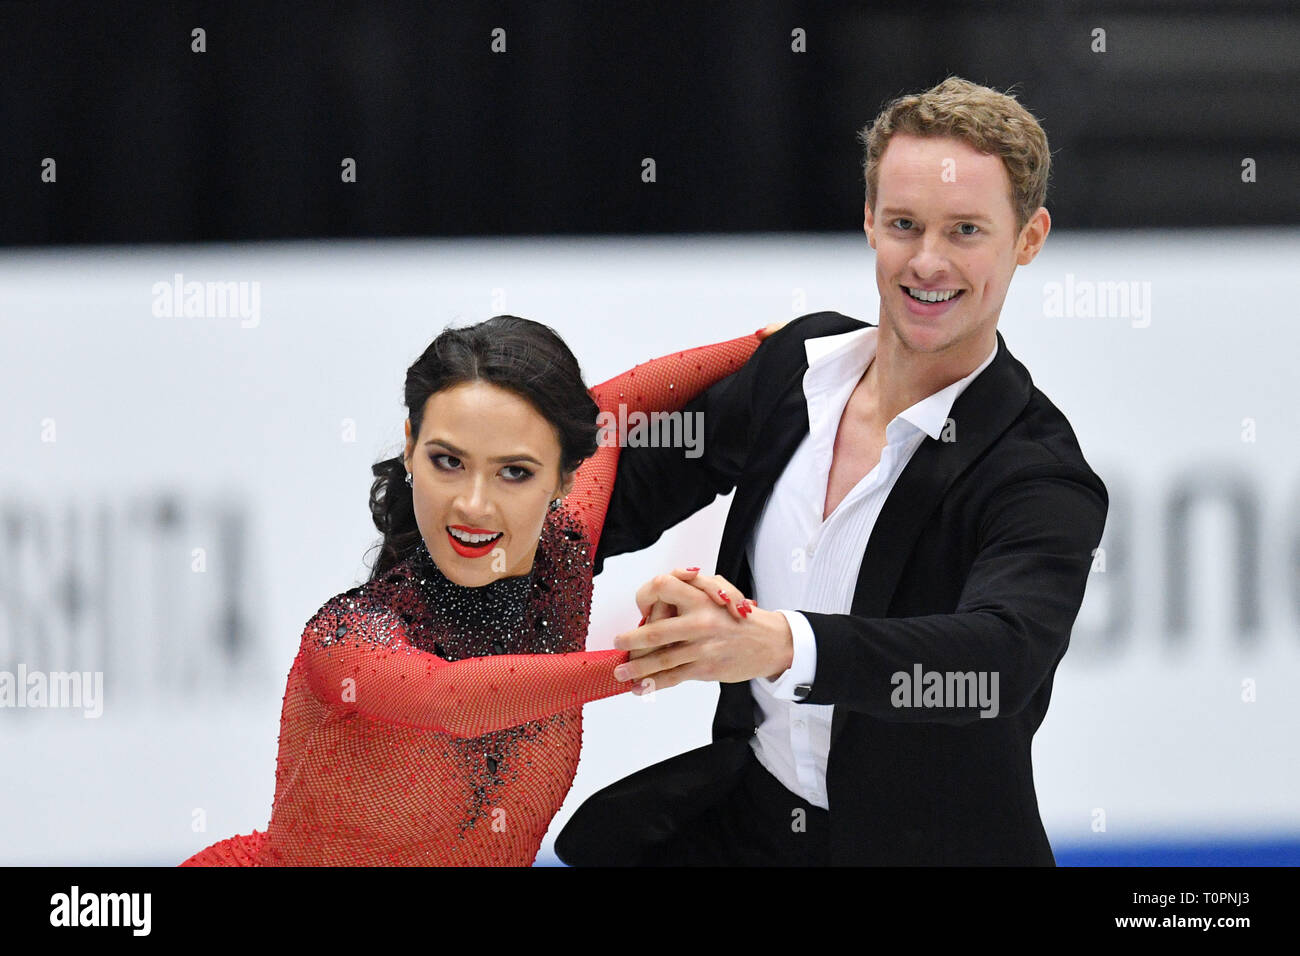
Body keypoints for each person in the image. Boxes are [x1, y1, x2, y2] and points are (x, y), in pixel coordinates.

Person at [555, 76, 1110, 866]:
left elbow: (994, 662)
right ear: (868, 222)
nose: (927, 261)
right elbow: (632, 489)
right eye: (904, 224)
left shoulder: (1036, 471)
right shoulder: (799, 369)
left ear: (1029, 238)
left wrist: (780, 646)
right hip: (756, 828)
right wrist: (488, 554)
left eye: (965, 231)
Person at [179, 315, 777, 866]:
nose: (473, 504)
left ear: (565, 476)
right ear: (410, 445)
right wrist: (668, 653)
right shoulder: (348, 638)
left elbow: (613, 405)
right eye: (448, 461)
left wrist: (768, 344)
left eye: (514, 471)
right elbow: (453, 700)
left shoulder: (559, 557)